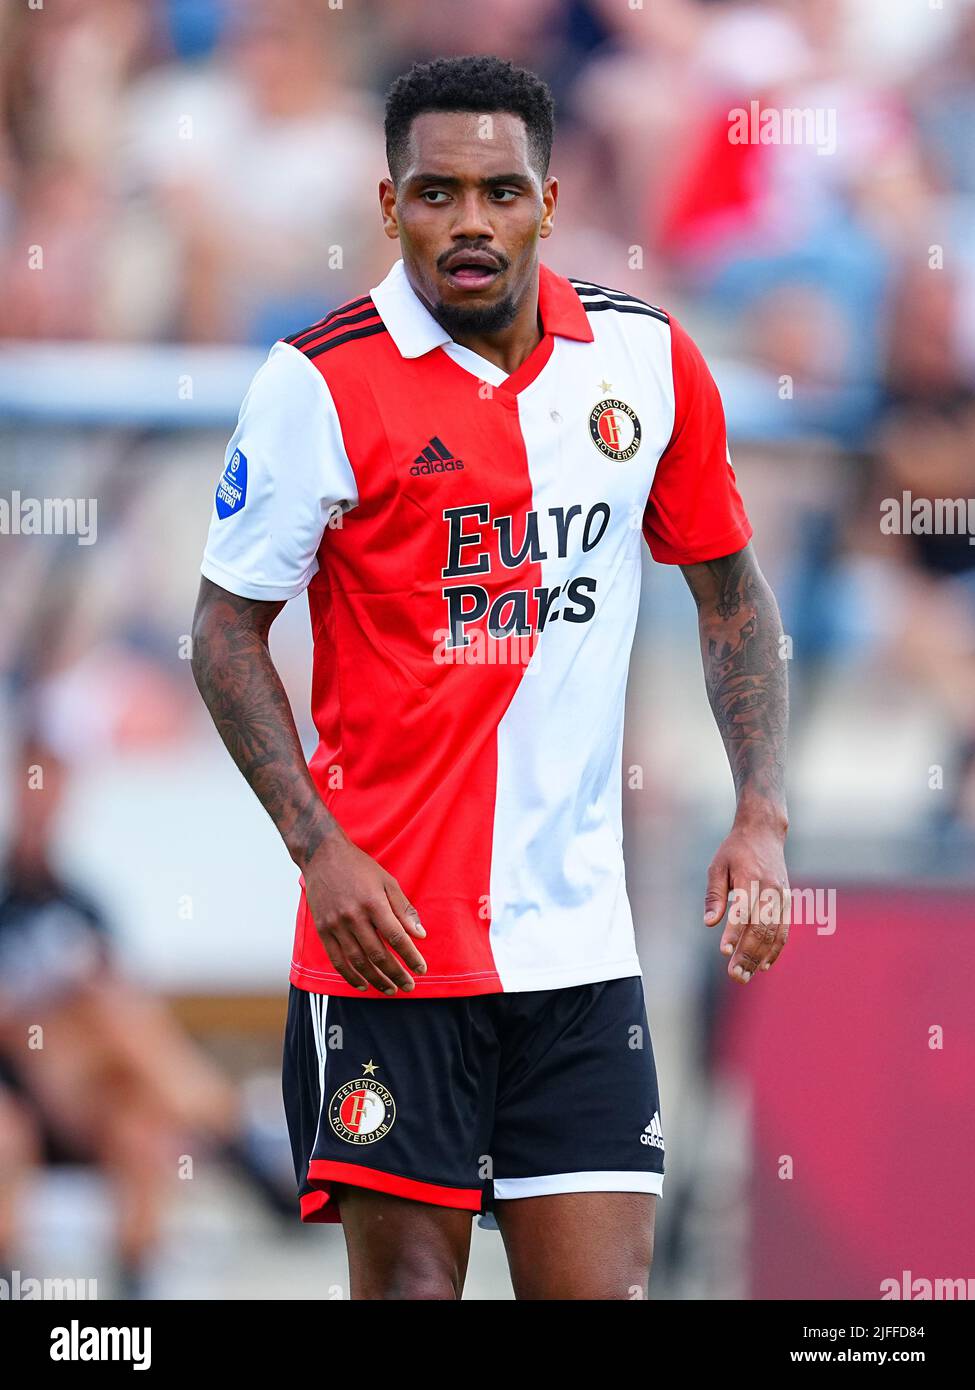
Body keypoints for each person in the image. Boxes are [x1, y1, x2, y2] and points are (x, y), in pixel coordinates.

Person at [191, 54, 790, 1301]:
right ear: (388, 201)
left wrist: (761, 813)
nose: (470, 223)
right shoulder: (316, 383)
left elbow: (729, 590)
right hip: (393, 947)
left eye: (501, 192)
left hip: (580, 950)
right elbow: (223, 631)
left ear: (551, 202)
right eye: (437, 192)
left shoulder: (644, 362)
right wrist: (319, 848)